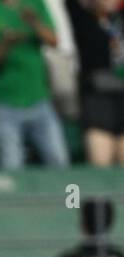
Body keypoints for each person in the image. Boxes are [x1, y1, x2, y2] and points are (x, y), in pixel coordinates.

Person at [0, 0, 69, 168]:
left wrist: (34, 22)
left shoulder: (35, 4)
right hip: (3, 100)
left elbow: (54, 41)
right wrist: (6, 43)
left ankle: (67, 196)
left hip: (39, 96)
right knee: (12, 164)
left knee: (58, 159)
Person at [65, 0, 124, 166]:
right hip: (97, 97)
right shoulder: (82, 18)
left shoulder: (119, 18)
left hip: (121, 96)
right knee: (101, 161)